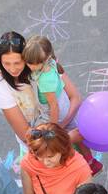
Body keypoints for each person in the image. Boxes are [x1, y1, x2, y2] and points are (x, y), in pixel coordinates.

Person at [21, 36, 100, 173]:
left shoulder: (45, 80)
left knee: (59, 139)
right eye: (28, 62)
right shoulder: (51, 63)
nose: (31, 66)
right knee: (76, 133)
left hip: (56, 111)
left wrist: (52, 129)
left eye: (35, 63)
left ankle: (73, 165)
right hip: (65, 102)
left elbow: (53, 106)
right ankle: (90, 160)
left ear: (45, 59)